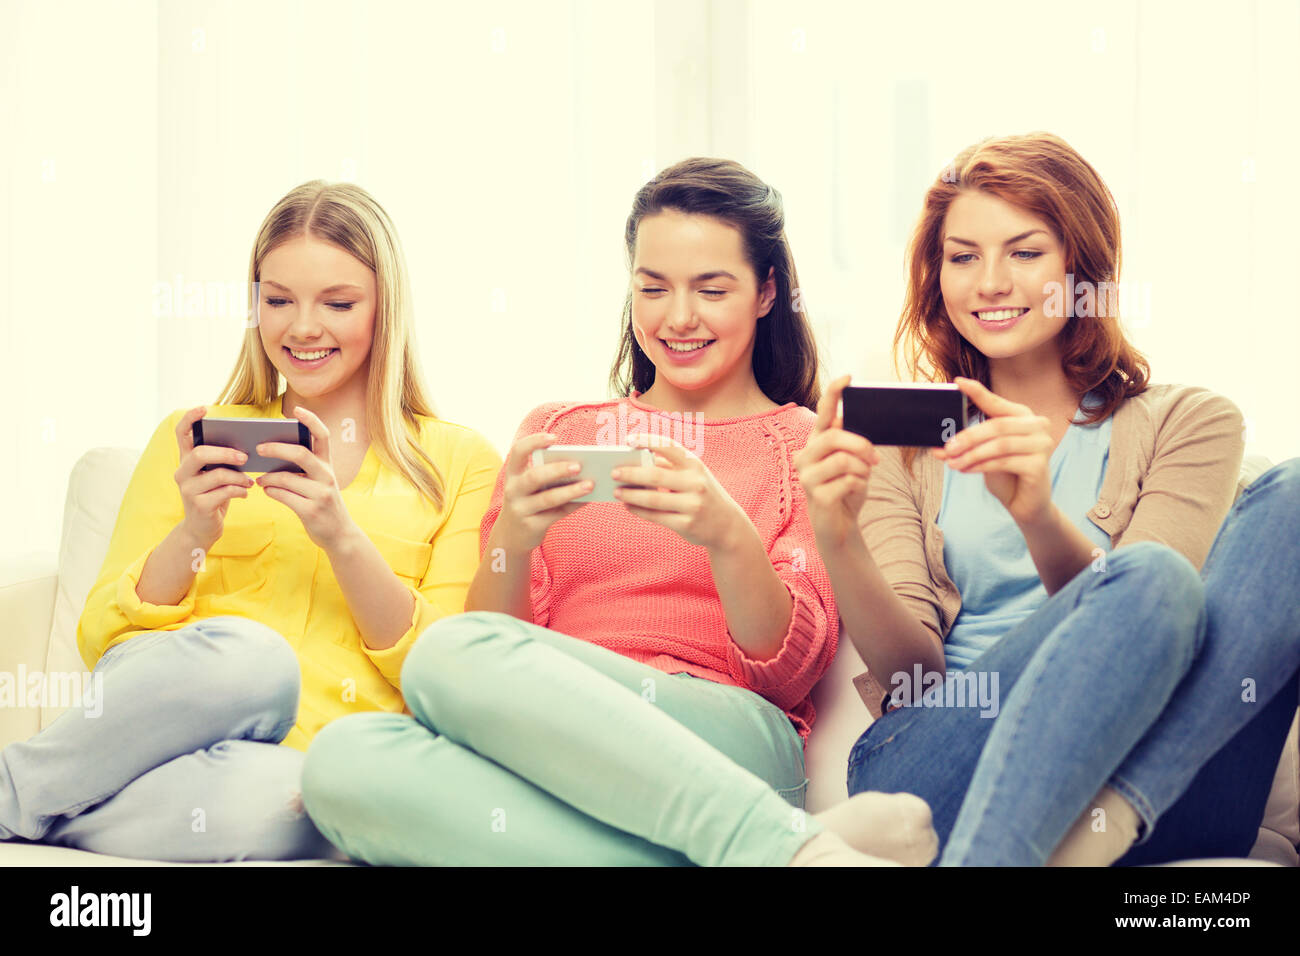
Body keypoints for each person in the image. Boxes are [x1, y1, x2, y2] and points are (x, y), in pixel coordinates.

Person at [301, 157, 939, 867]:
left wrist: (728, 536)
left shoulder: (802, 443)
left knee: (445, 652)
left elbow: (784, 677)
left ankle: (776, 847)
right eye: (653, 288)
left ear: (765, 293)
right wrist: (514, 532)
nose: (678, 317)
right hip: (564, 745)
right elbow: (494, 652)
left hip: (724, 733)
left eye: (711, 289)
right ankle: (787, 848)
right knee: (341, 761)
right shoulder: (559, 428)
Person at [796, 131, 1300, 866]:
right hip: (947, 757)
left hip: (1162, 776)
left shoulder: (1189, 422)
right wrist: (836, 537)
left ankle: (1091, 829)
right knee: (1149, 575)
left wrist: (1035, 514)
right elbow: (917, 679)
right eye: (962, 257)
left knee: (1235, 532)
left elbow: (1158, 631)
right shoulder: (904, 447)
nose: (989, 282)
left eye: (1025, 253)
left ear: (1082, 268)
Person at [0, 181, 501, 861]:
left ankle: (45, 806)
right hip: (164, 723)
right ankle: (20, 790)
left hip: (288, 769)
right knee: (251, 657)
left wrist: (341, 537)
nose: (302, 328)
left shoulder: (458, 462)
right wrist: (192, 535)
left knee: (287, 808)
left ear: (386, 310)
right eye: (278, 300)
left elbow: (444, 676)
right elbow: (101, 640)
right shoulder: (193, 439)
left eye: (338, 302)